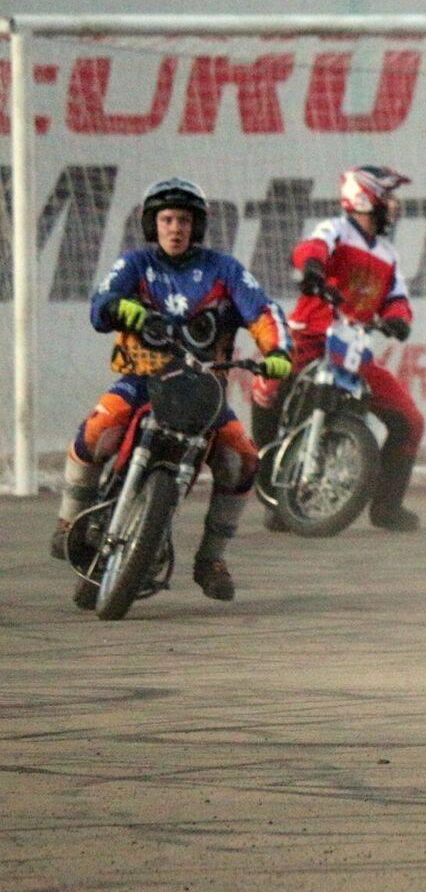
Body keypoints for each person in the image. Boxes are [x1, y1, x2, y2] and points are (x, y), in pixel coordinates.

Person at [50, 178, 292, 605]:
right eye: (166, 219)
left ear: (196, 226)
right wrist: (125, 309)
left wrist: (278, 352)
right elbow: (100, 305)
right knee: (98, 428)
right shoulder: (135, 264)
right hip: (142, 379)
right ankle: (69, 522)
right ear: (152, 224)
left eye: (183, 220)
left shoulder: (225, 270)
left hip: (205, 389)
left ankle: (211, 559)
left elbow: (263, 311)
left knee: (243, 461)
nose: (175, 228)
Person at [250, 165, 424, 532]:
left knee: (410, 421)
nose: (394, 206)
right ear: (365, 197)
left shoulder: (389, 254)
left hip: (352, 348)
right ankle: (267, 477)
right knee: (266, 389)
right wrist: (312, 269)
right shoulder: (336, 230)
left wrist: (398, 318)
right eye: (388, 197)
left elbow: (397, 298)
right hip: (308, 339)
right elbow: (311, 250)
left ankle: (387, 507)